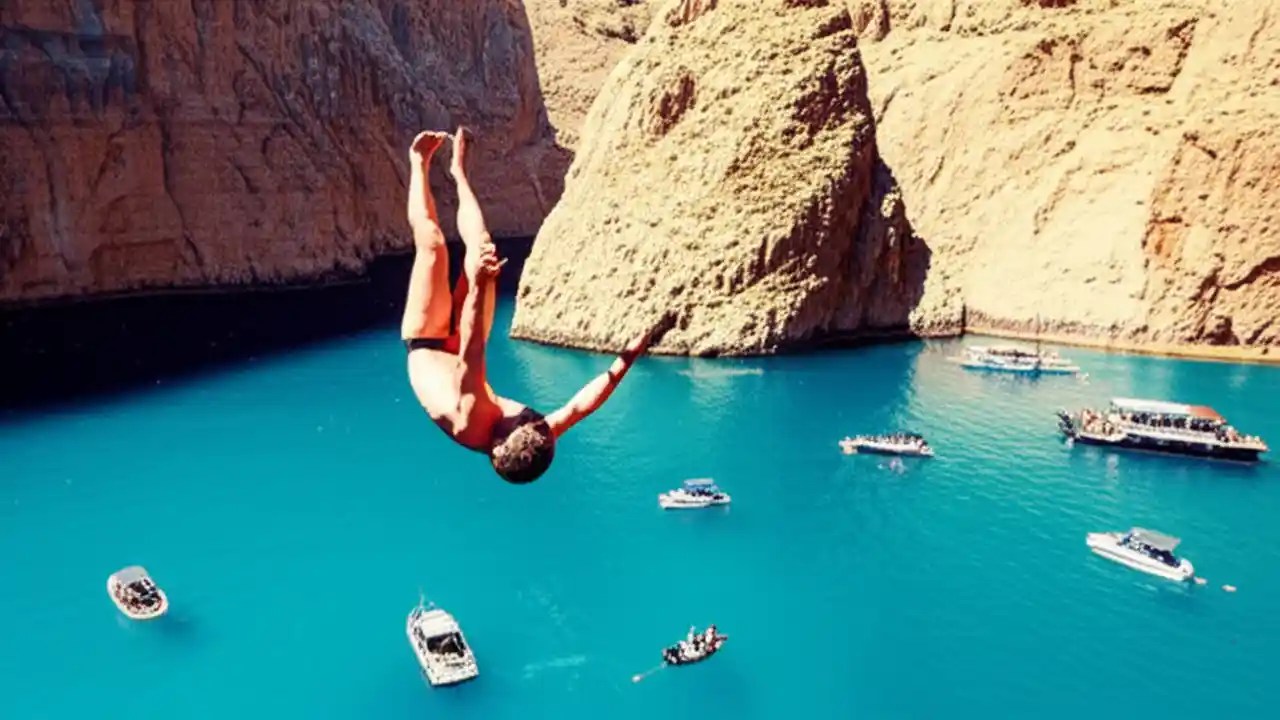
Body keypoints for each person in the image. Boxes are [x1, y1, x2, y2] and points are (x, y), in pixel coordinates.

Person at [400, 128, 673, 484]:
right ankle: (459, 173)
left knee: (434, 245)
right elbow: (581, 406)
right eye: (535, 417)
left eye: (523, 415)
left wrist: (480, 282)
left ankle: (418, 162)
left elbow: (472, 346)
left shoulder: (472, 417)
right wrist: (627, 359)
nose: (529, 412)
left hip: (429, 342)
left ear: (499, 441)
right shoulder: (534, 433)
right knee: (483, 247)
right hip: (460, 350)